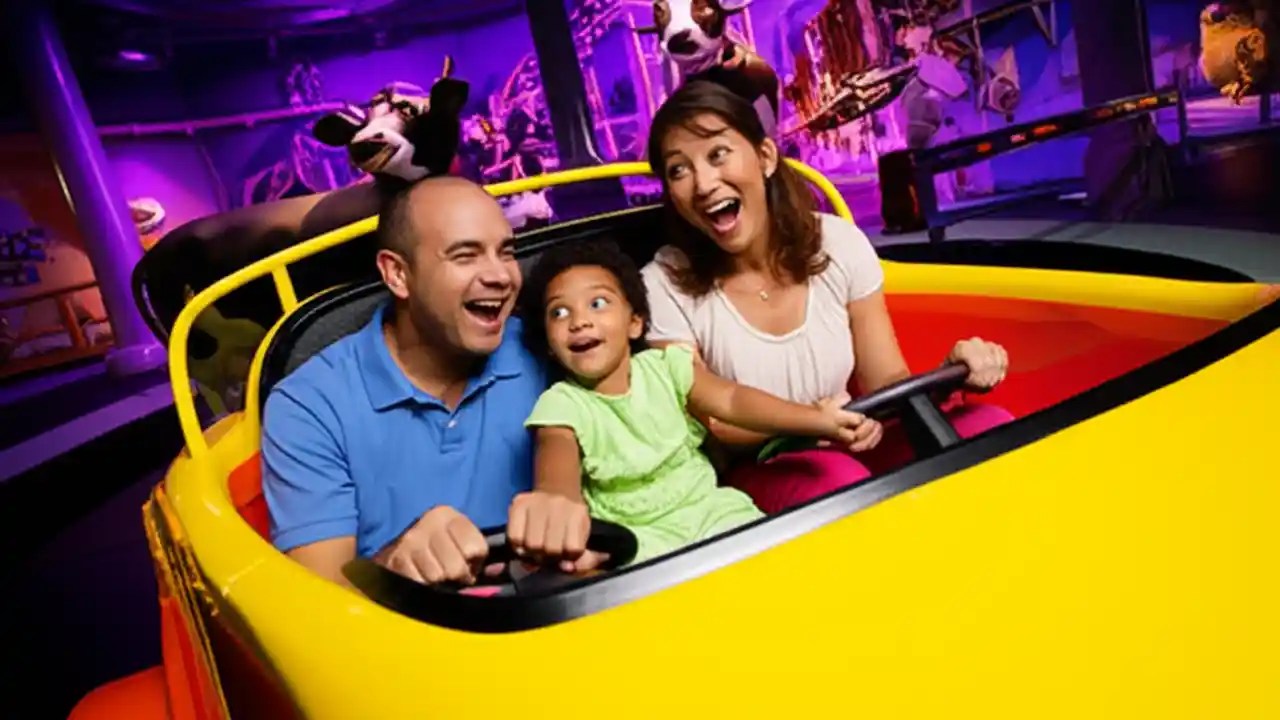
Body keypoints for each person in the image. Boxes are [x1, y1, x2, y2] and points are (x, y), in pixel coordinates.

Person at [639, 80, 1014, 514]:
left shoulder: (835, 243)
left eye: (717, 154)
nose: (702, 183)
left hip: (853, 436)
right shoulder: (664, 283)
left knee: (989, 429)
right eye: (678, 170)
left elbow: (884, 382)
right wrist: (812, 420)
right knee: (839, 484)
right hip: (757, 463)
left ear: (764, 157)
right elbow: (718, 423)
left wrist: (952, 374)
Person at [507, 240, 879, 567]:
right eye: (559, 312)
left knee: (775, 552)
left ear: (635, 323)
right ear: (550, 347)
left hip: (712, 513)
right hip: (639, 540)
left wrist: (818, 419)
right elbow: (556, 484)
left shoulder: (665, 368)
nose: (579, 321)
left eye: (598, 303)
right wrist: (558, 519)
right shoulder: (561, 405)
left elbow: (732, 400)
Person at [260, 176, 553, 589]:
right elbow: (320, 602)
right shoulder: (309, 405)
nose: (502, 276)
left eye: (506, 252)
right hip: (398, 641)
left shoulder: (544, 350)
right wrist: (395, 565)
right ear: (397, 274)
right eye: (465, 255)